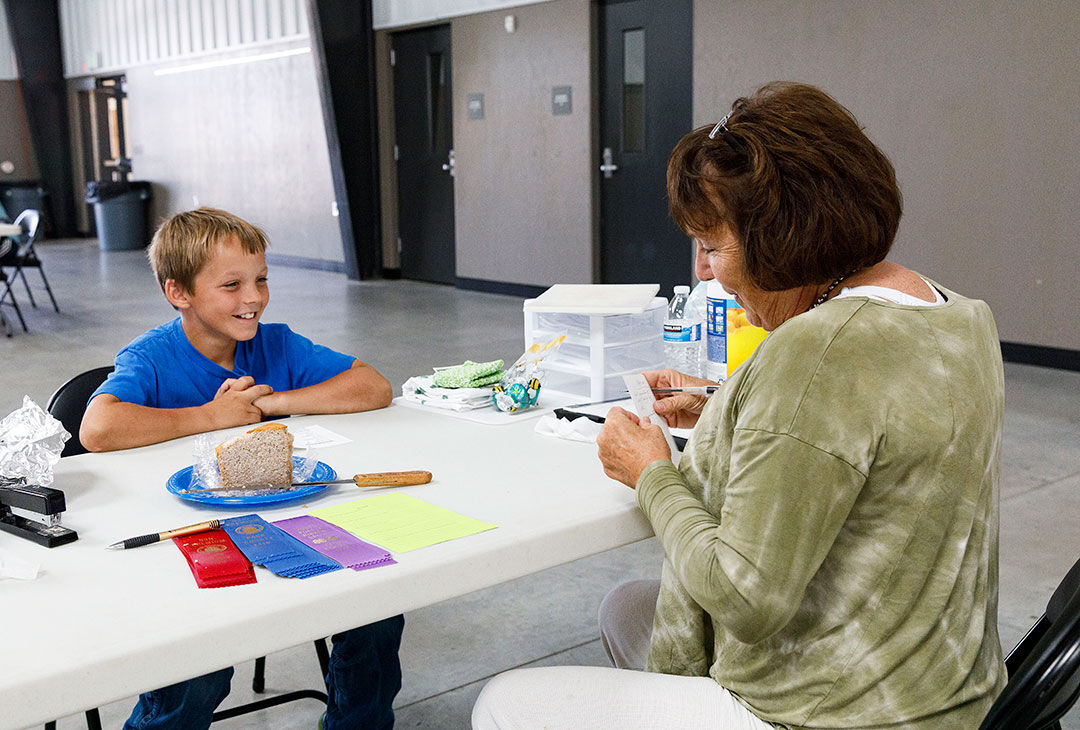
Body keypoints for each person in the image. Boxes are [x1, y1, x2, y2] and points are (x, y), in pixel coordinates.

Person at [472, 82, 1006, 728]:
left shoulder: (814, 353)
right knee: (628, 608)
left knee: (504, 704)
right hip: (939, 683)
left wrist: (651, 475)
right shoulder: (956, 314)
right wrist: (723, 406)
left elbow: (743, 597)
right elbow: (871, 423)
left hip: (835, 712)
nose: (702, 272)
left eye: (713, 247)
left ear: (785, 237)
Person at [80, 207, 402, 730]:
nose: (252, 298)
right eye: (231, 285)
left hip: (291, 518)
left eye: (261, 280)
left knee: (377, 609)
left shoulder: (275, 343)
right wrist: (213, 416)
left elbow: (373, 386)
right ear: (178, 293)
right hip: (188, 538)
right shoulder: (152, 356)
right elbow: (98, 428)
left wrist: (269, 404)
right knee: (200, 666)